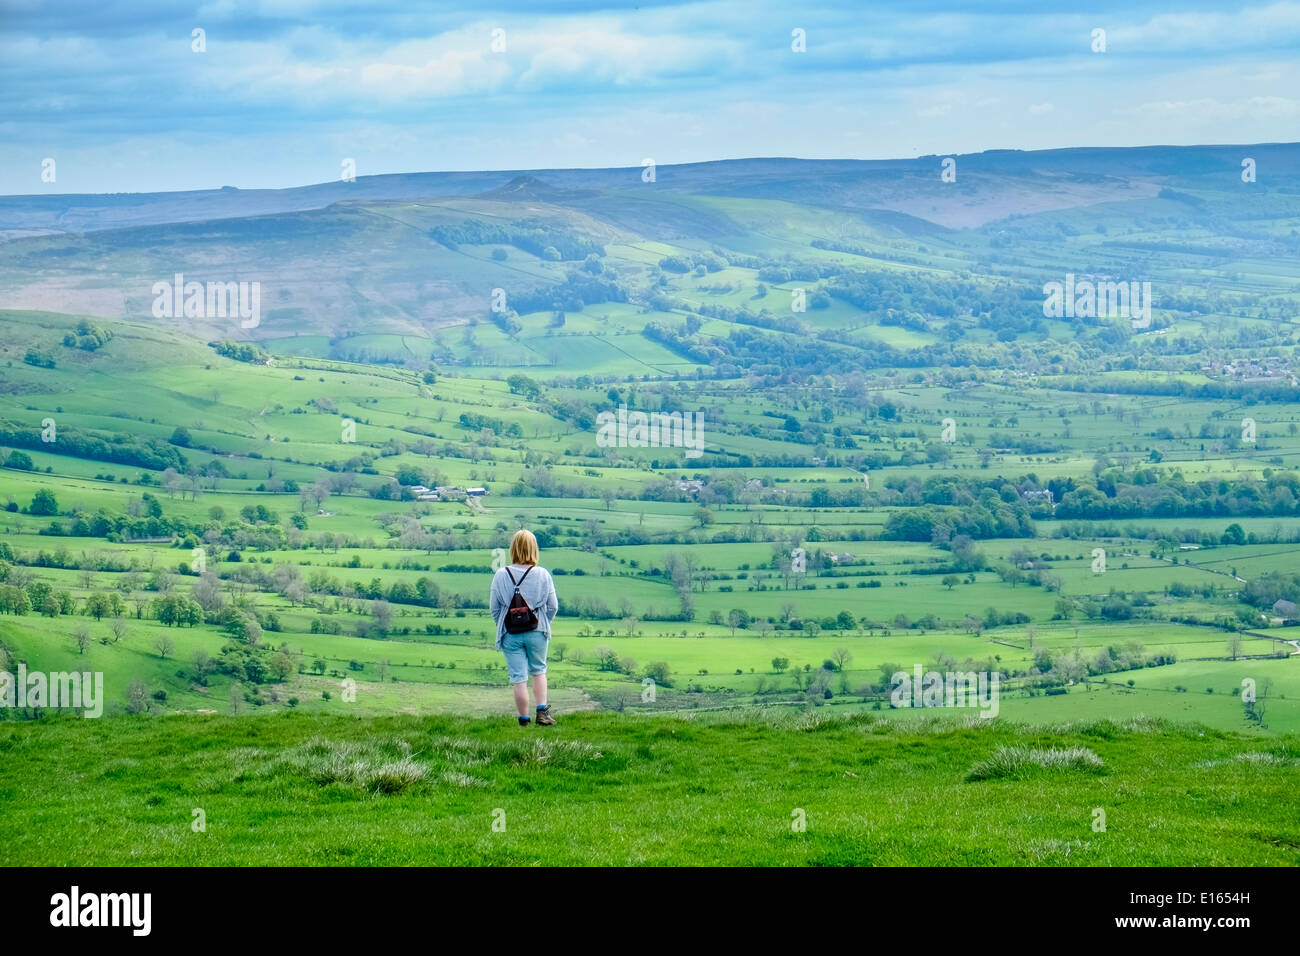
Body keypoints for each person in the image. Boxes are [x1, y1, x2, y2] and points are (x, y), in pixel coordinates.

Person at [489, 529, 558, 726]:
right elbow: (553, 606)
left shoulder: (501, 574)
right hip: (537, 631)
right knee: (539, 671)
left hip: (510, 633)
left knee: (518, 678)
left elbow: (494, 608)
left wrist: (505, 624)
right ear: (534, 549)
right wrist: (542, 623)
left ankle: (523, 720)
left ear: (513, 549)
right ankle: (542, 714)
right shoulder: (543, 574)